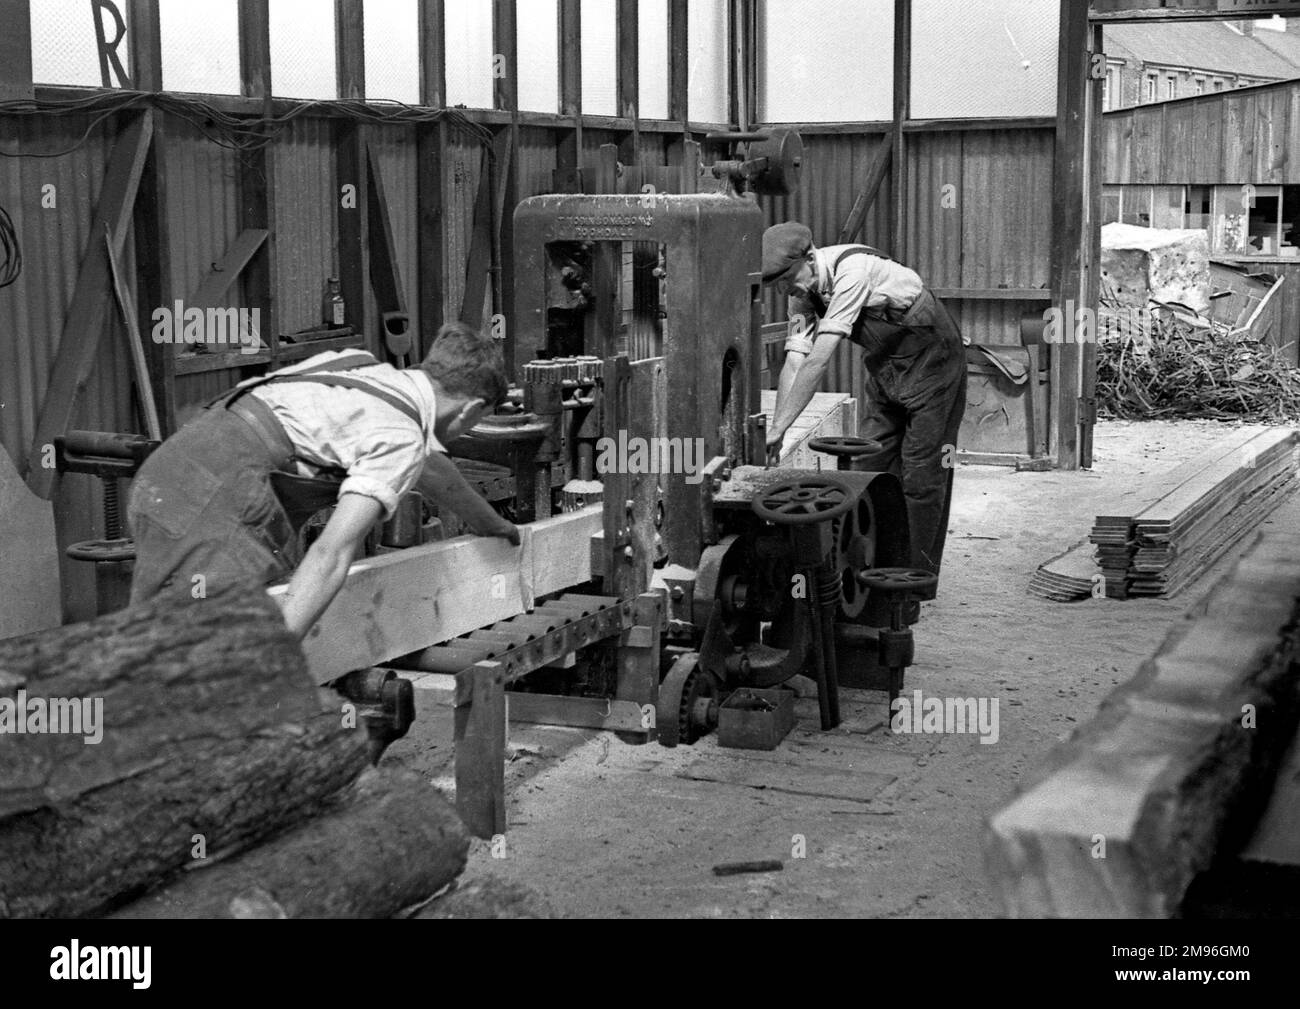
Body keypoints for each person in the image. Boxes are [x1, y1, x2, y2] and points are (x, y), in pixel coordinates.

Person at [127, 322, 518, 638]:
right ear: (471, 409)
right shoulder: (402, 436)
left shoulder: (360, 367)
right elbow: (330, 554)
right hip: (222, 503)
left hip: (169, 475)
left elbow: (434, 470)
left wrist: (491, 524)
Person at [761, 222, 965, 595]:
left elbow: (819, 360)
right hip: (888, 369)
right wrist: (779, 429)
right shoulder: (803, 294)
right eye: (775, 284)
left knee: (922, 474)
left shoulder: (851, 272)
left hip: (935, 363)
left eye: (787, 279)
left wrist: (781, 427)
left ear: (810, 257)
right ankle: (869, 569)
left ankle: (912, 584)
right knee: (868, 465)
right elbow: (795, 361)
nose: (784, 290)